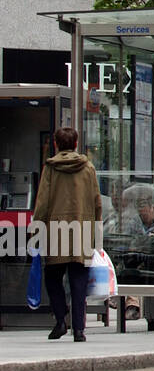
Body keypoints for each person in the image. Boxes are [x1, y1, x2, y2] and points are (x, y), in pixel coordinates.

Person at [33, 127, 101, 342]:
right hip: (82, 230)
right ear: (76, 143)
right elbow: (97, 202)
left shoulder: (51, 168)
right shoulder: (88, 168)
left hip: (56, 231)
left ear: (55, 144)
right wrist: (96, 232)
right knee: (78, 280)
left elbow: (43, 202)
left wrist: (37, 228)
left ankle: (61, 319)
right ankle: (79, 329)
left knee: (52, 277)